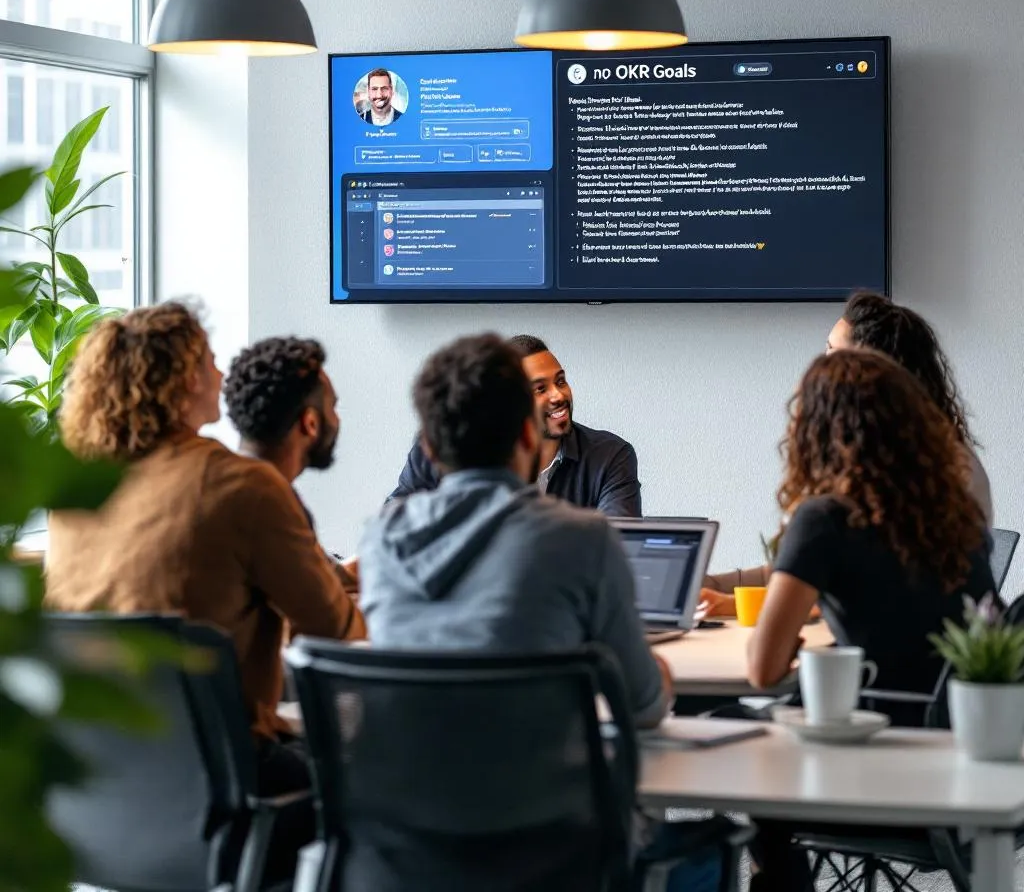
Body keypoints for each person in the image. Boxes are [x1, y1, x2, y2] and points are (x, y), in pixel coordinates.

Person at [362, 333, 745, 889]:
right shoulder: (584, 540)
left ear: (430, 446)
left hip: (405, 846)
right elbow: (641, 708)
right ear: (524, 431)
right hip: (554, 846)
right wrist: (654, 672)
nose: (559, 396)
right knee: (706, 838)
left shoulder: (379, 543)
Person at [45, 302, 366, 881]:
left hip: (93, 793)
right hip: (225, 793)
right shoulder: (240, 482)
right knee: (395, 773)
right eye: (212, 363)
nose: (221, 377)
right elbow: (337, 633)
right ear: (186, 379)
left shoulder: (74, 492)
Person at [742, 349, 995, 890]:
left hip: (874, 772)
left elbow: (763, 669)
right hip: (965, 765)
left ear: (816, 431)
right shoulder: (959, 519)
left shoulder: (824, 519)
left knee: (728, 730)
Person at [700, 291, 992, 616]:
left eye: (834, 354)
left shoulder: (948, 470)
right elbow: (808, 566)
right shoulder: (865, 462)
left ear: (869, 371)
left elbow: (877, 597)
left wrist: (731, 604)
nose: (820, 368)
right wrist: (715, 583)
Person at [389, 334, 642, 516]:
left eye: (561, 381)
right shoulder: (447, 447)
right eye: (540, 389)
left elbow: (621, 549)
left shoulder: (611, 456)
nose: (558, 395)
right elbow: (394, 524)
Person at [222, 336, 358, 592]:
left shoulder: (222, 479)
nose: (337, 418)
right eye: (333, 407)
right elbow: (337, 622)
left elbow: (332, 577)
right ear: (311, 423)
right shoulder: (269, 503)